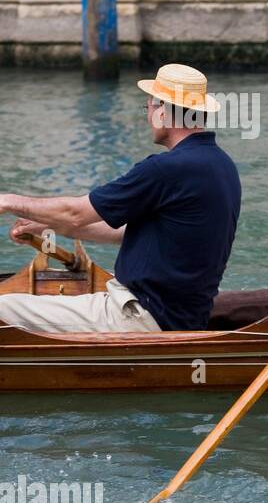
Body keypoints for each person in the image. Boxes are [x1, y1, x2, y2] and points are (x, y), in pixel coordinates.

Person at [0, 63, 242, 333]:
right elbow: (124, 230)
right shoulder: (222, 166)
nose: (147, 116)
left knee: (3, 308)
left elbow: (76, 213)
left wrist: (8, 201)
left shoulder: (166, 169)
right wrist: (48, 226)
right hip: (179, 316)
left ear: (163, 111)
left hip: (139, 316)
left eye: (148, 107)